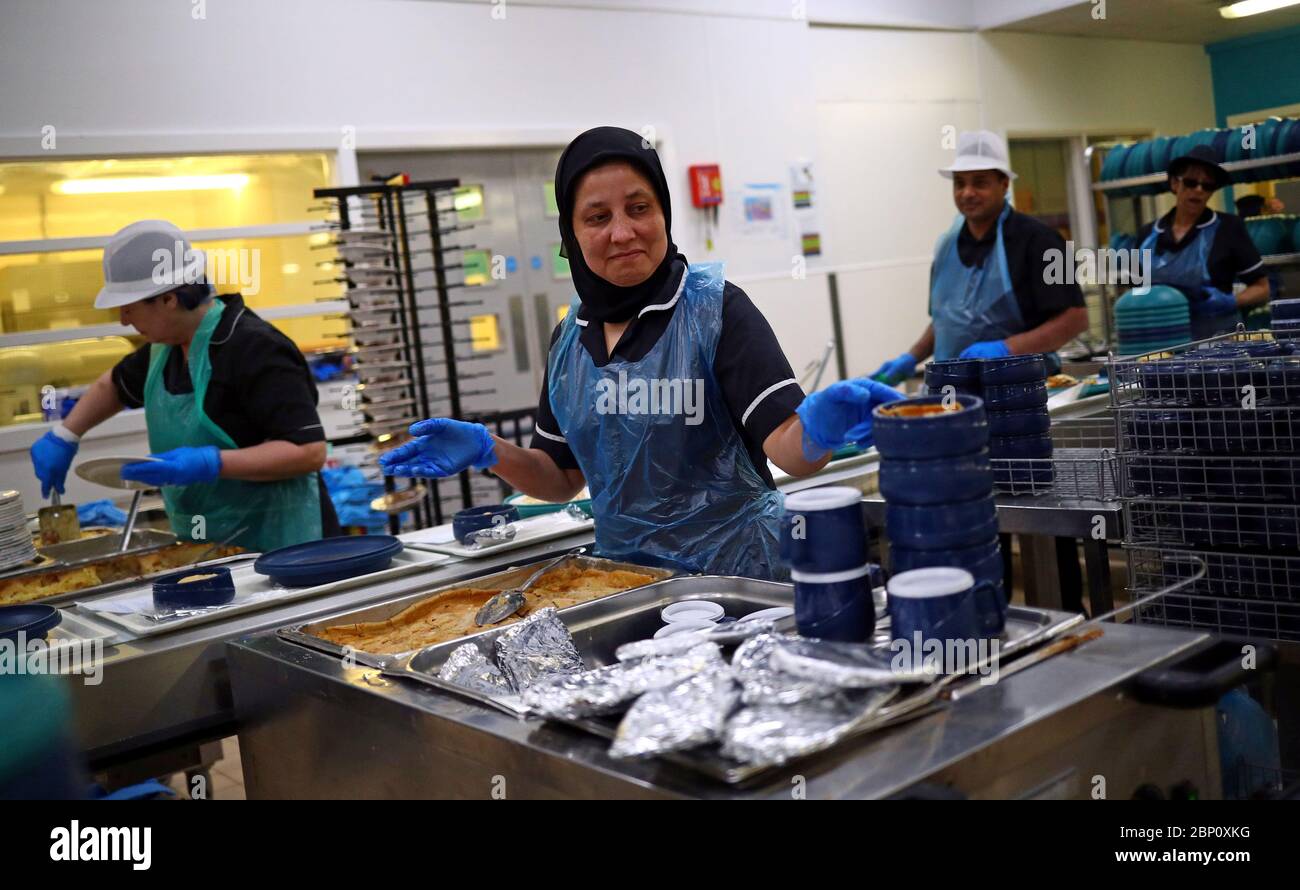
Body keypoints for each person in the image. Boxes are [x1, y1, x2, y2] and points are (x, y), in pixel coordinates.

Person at [380, 127, 902, 578]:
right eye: (597, 217)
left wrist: (819, 425)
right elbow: (561, 478)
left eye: (639, 208)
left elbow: (790, 451)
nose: (623, 232)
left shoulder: (715, 311)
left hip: (742, 583)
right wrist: (490, 451)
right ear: (571, 232)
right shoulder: (570, 339)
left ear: (664, 213)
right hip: (627, 586)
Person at [29, 220, 338, 552]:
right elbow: (114, 385)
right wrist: (66, 435)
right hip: (211, 546)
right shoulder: (165, 349)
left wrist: (210, 463)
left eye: (129, 307)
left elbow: (308, 452)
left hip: (286, 547)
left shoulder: (253, 347)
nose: (123, 320)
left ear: (169, 299)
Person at [872, 129, 1089, 385]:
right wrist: (909, 359)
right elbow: (945, 320)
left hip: (1020, 394)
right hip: (953, 394)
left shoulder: (1045, 240)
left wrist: (1005, 349)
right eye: (960, 183)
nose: (967, 193)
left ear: (1004, 184)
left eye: (980, 182)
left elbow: (1076, 319)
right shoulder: (946, 246)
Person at [1136, 144, 1270, 340]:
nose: (1198, 190)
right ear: (1175, 184)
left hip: (1217, 343)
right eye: (1191, 182)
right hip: (1160, 342)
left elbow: (1262, 288)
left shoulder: (1229, 228)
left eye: (1207, 186)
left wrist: (1231, 301)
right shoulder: (1148, 234)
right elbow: (1133, 291)